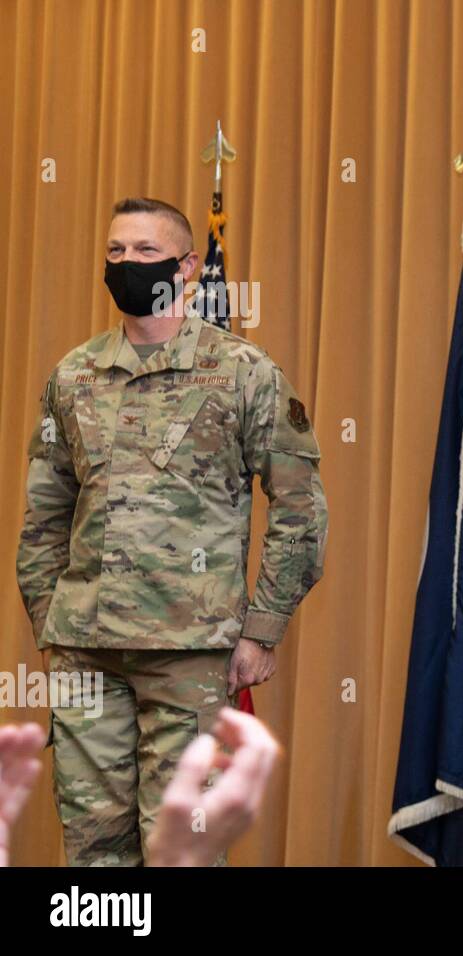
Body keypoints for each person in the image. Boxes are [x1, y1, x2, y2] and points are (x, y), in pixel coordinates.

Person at [15, 197, 328, 866]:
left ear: (187, 266)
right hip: (87, 653)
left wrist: (262, 628)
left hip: (191, 653)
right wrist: (55, 623)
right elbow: (43, 516)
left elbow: (300, 508)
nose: (127, 263)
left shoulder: (244, 372)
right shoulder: (73, 375)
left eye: (145, 251)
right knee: (93, 851)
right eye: (116, 251)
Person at [0, 708, 281, 868]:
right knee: (94, 851)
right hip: (80, 644)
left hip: (190, 644)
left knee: (185, 833)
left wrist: (262, 630)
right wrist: (46, 625)